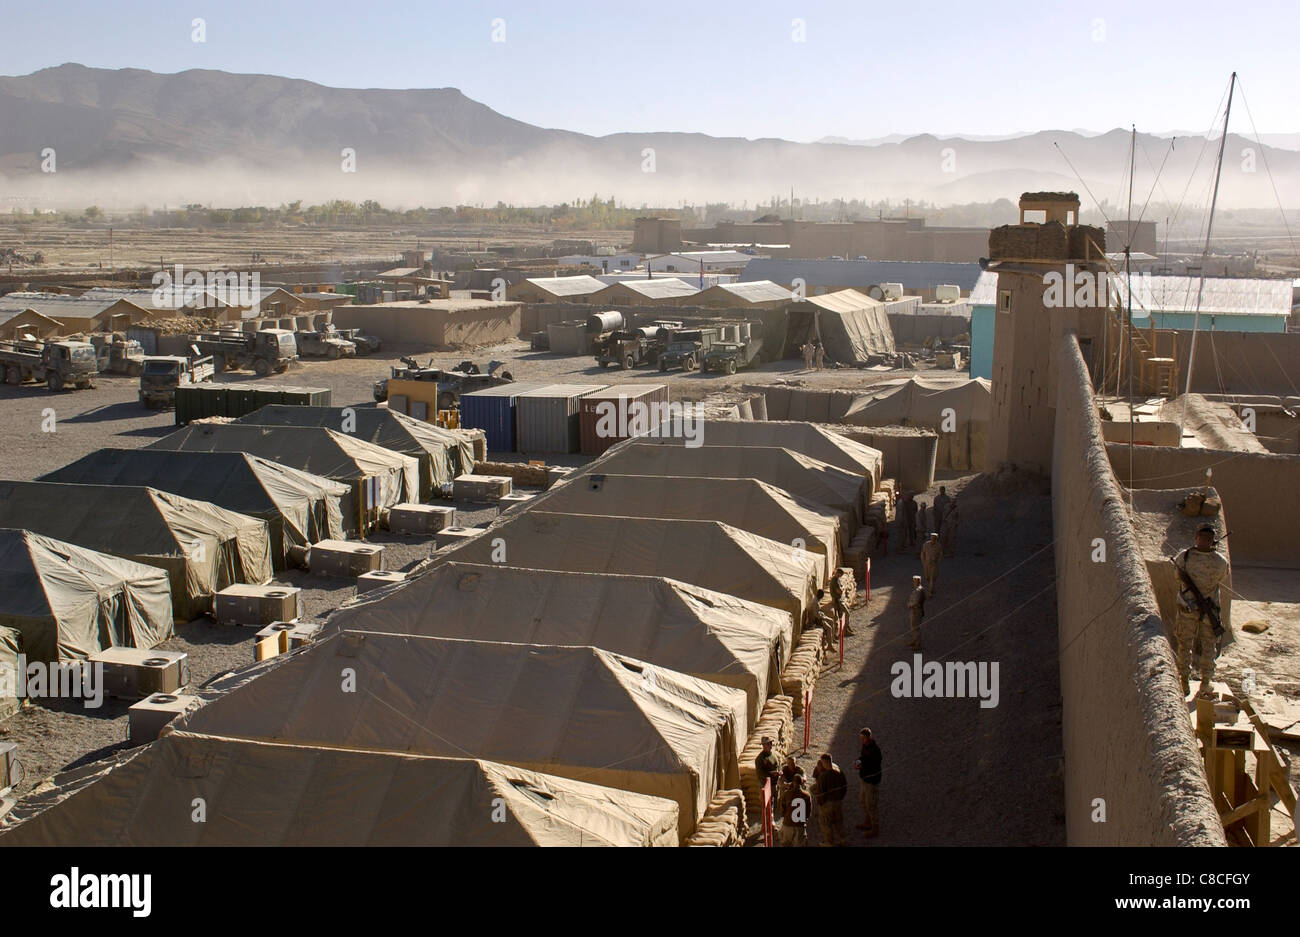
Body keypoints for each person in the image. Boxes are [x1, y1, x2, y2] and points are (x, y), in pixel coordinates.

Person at [1171, 524, 1229, 698]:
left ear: (1197, 538)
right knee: (1208, 648)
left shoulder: (1185, 557)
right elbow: (1221, 577)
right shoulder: (1220, 561)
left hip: (1187, 609)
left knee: (1184, 645)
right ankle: (1205, 684)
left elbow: (1177, 577)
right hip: (1209, 611)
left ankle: (1183, 681)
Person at [812, 753, 847, 846]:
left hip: (827, 803)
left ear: (824, 762)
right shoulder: (838, 770)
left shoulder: (824, 776)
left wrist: (820, 803)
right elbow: (844, 786)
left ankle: (828, 841)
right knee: (839, 820)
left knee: (825, 822)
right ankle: (842, 838)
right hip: (838, 801)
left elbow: (821, 792)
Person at [853, 728, 882, 837]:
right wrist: (858, 761)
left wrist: (862, 765)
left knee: (871, 804)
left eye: (863, 738)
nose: (862, 740)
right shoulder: (865, 747)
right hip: (864, 779)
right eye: (861, 738)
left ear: (869, 737)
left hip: (871, 781)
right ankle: (867, 821)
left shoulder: (875, 750)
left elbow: (873, 764)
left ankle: (875, 827)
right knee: (863, 801)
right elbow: (863, 758)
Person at [780, 776, 812, 846]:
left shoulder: (786, 794)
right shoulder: (806, 795)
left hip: (788, 824)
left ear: (793, 783)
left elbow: (782, 812)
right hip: (800, 826)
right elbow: (808, 813)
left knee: (785, 844)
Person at [754, 736, 781, 810]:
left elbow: (778, 764)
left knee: (775, 799)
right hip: (766, 784)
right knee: (768, 803)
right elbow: (760, 774)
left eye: (770, 743)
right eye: (768, 744)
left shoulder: (773, 754)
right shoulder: (760, 759)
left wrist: (779, 772)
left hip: (775, 782)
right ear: (763, 745)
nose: (770, 745)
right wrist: (772, 774)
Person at [907, 574, 925, 649]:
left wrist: (910, 605)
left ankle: (917, 644)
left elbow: (916, 601)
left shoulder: (918, 590)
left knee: (915, 627)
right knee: (913, 626)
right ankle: (914, 640)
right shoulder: (920, 589)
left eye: (914, 581)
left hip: (915, 610)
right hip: (917, 609)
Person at [920, 532, 942, 596]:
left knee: (933, 577)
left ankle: (931, 590)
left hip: (934, 564)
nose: (933, 540)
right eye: (932, 538)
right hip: (927, 563)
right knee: (927, 577)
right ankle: (930, 585)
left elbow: (940, 555)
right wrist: (923, 561)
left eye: (934, 539)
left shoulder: (938, 546)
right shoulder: (926, 544)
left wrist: (938, 562)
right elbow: (922, 553)